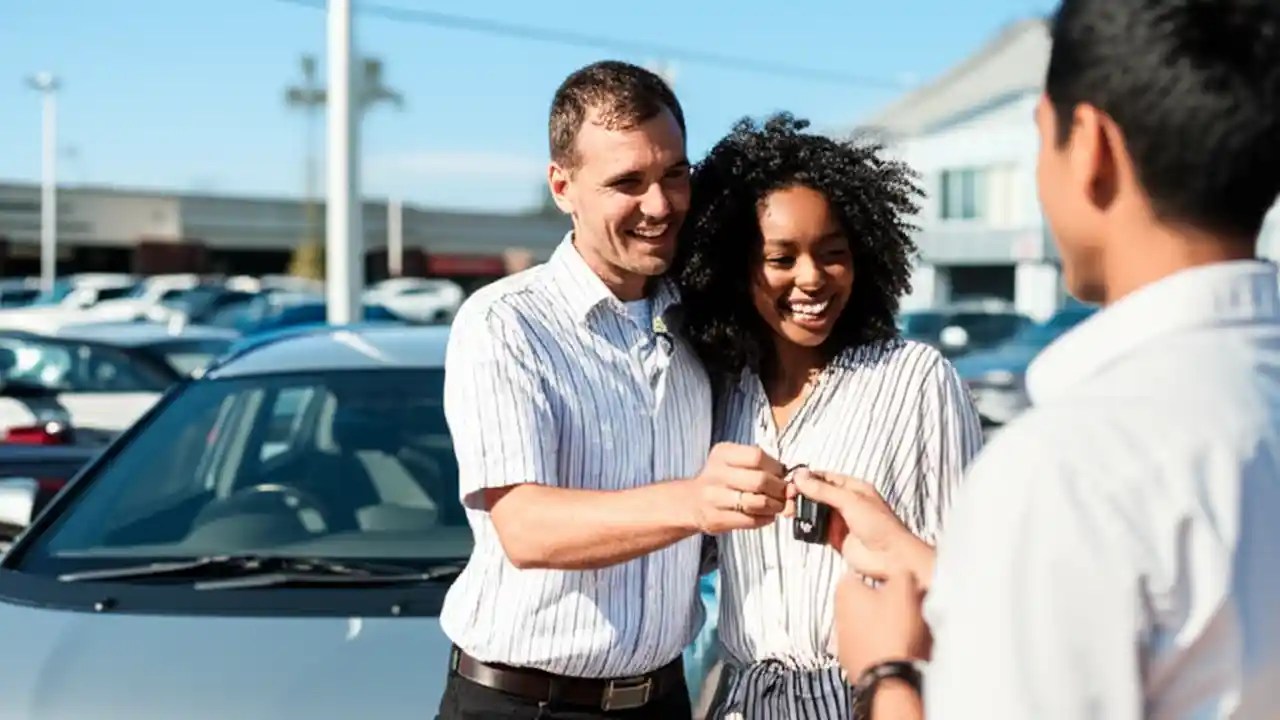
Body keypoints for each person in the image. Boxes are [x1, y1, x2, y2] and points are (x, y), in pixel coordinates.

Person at [793, 0, 1280, 717]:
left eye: (1040, 136)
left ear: (1088, 147)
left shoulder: (1066, 468)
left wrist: (883, 671)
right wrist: (942, 570)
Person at [435, 60, 792, 720]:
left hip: (664, 699)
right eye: (627, 182)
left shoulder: (703, 324)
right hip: (523, 706)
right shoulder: (504, 323)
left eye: (674, 174)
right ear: (562, 186)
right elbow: (527, 529)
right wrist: (696, 502)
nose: (660, 205)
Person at [671, 112, 984, 719]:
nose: (811, 278)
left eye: (833, 254)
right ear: (737, 268)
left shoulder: (916, 379)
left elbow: (971, 577)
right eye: (781, 257)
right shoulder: (723, 390)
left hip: (870, 695)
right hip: (739, 697)